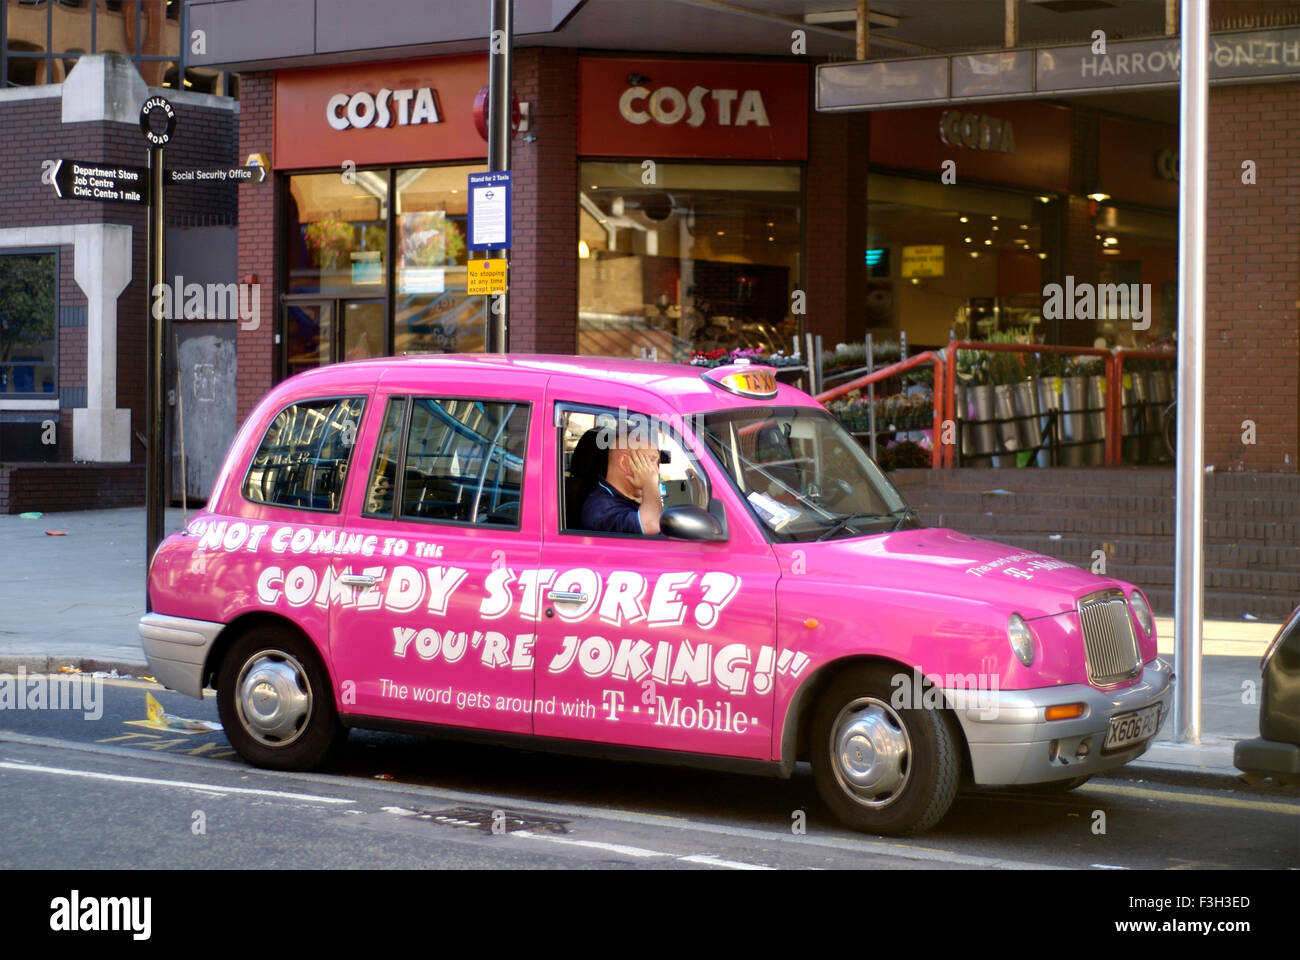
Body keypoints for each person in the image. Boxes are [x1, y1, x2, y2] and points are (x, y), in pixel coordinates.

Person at [580, 432, 663, 535]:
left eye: (657, 463)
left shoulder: (628, 497)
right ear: (624, 463)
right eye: (651, 460)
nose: (656, 471)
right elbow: (652, 524)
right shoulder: (600, 509)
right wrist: (650, 484)